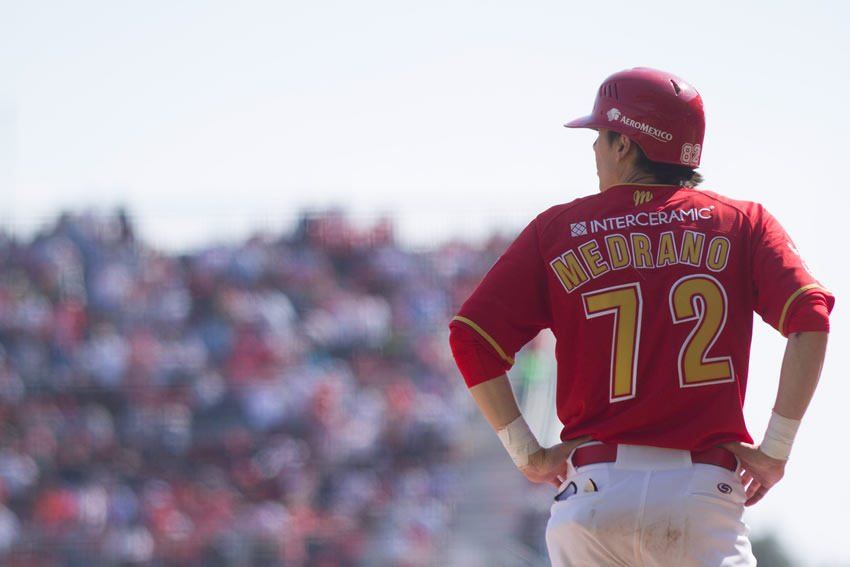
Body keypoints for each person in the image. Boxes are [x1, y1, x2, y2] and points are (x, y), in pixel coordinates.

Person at [448, 67, 833, 566]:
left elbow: (471, 339)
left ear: (625, 145)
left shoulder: (558, 228)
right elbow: (810, 316)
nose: (594, 150)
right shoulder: (744, 222)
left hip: (593, 492)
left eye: (600, 137)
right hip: (700, 493)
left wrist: (528, 454)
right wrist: (776, 447)